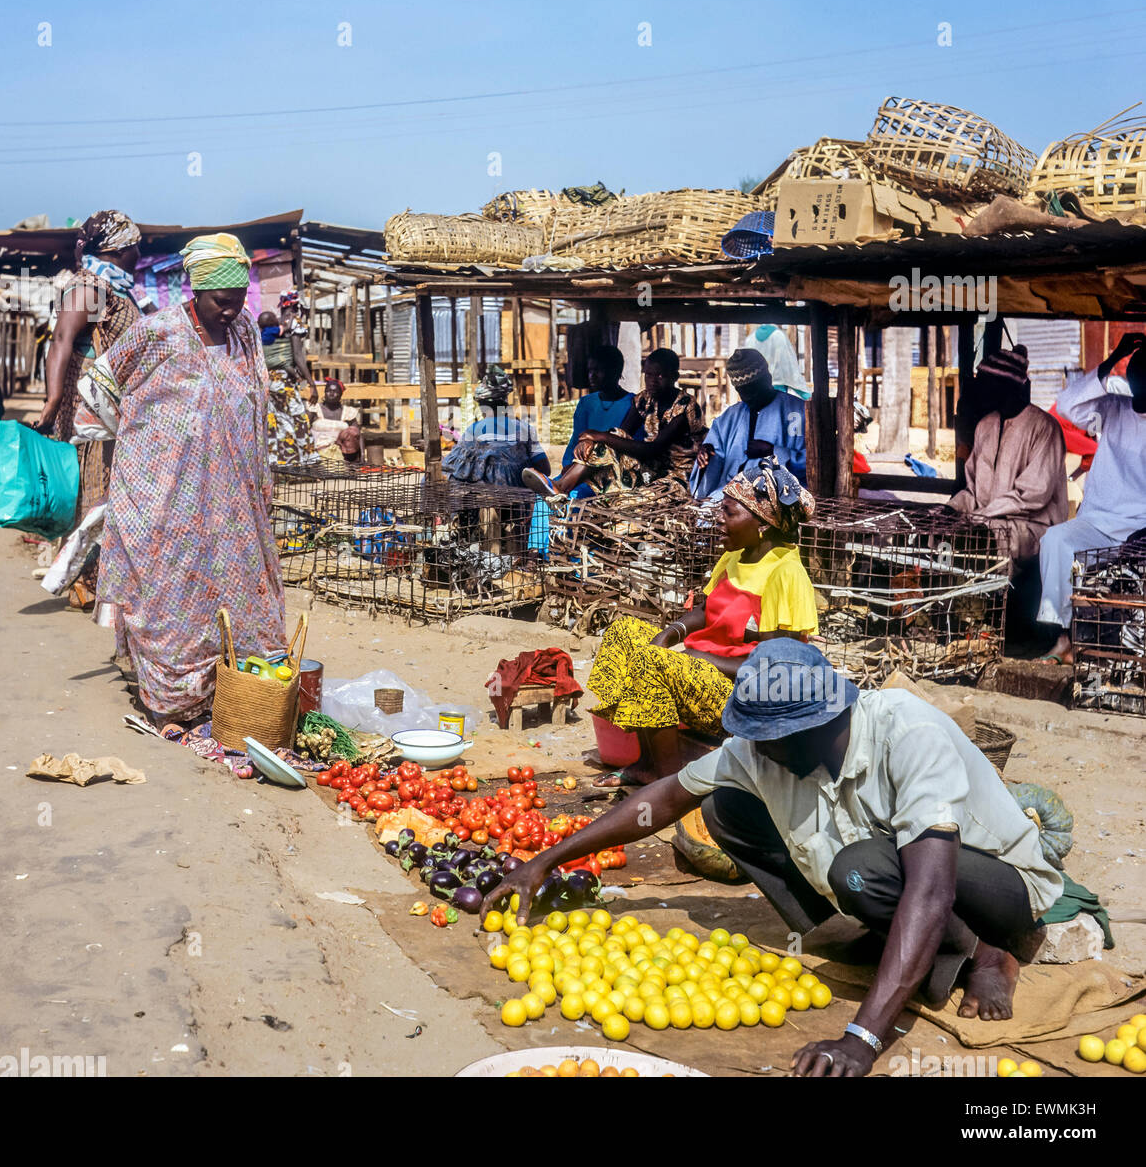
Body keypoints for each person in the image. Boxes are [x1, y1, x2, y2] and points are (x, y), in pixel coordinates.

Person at [485, 637, 1065, 1077]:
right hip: (891, 872)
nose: (754, 750)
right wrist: (547, 860)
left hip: (999, 884)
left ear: (812, 724)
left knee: (859, 869)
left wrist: (860, 1040)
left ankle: (983, 953)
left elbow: (931, 888)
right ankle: (885, 939)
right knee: (724, 810)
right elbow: (663, 800)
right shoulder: (770, 751)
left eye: (767, 740)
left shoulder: (907, 734)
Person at [95, 234, 287, 724]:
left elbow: (253, 399)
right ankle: (176, 697)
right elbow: (99, 387)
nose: (231, 310)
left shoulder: (244, 332)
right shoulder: (157, 331)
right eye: (222, 301)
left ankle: (238, 690)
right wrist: (143, 447)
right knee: (171, 591)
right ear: (195, 292)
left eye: (239, 299)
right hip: (168, 498)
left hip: (234, 501)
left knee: (239, 589)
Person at [587, 457, 817, 782]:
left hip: (741, 697)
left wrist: (697, 658)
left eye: (729, 512)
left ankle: (666, 778)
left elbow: (774, 670)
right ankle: (645, 757)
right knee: (625, 633)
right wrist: (671, 634)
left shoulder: (786, 574)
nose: (719, 519)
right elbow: (708, 610)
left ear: (763, 524)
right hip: (703, 672)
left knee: (654, 663)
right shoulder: (735, 555)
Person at [37, 210, 142, 603]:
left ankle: (89, 575)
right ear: (118, 248)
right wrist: (53, 400)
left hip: (110, 403)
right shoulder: (92, 285)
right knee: (94, 485)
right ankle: (84, 578)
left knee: (102, 485)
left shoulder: (115, 286)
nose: (138, 252)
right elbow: (62, 339)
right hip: (91, 405)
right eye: (134, 245)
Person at [1037, 332, 1146, 663]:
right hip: (1099, 522)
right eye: (1138, 378)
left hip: (1141, 528)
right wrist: (1112, 360)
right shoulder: (1114, 410)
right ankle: (1063, 639)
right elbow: (1069, 404)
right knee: (1055, 540)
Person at [523, 348, 704, 497]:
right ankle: (560, 486)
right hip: (651, 469)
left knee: (608, 444)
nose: (652, 381)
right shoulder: (644, 399)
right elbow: (621, 434)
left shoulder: (684, 405)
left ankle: (561, 486)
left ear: (674, 376)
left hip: (675, 474)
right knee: (613, 437)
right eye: (648, 375)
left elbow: (652, 449)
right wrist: (592, 440)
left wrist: (598, 435)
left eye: (660, 376)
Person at [948, 347, 1067, 561]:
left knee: (982, 540)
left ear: (1004, 387)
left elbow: (1032, 496)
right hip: (985, 520)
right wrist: (951, 509)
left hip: (1031, 526)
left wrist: (980, 518)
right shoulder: (985, 425)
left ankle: (988, 593)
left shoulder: (1044, 427)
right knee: (941, 532)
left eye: (985, 383)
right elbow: (973, 491)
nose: (979, 390)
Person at [690, 347, 806, 501]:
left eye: (754, 389)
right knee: (705, 516)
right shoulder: (728, 418)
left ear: (768, 379)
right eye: (743, 391)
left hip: (778, 495)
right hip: (729, 493)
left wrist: (773, 451)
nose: (750, 397)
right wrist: (707, 457)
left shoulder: (799, 411)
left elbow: (814, 461)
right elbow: (713, 460)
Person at [443, 365, 551, 486]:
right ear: (505, 403)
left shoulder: (473, 430)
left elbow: (455, 468)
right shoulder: (525, 429)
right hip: (520, 496)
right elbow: (545, 469)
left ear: (482, 406)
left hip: (485, 498)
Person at [257, 307, 318, 470]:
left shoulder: (260, 336)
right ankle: (302, 460)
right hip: (284, 383)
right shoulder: (289, 330)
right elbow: (298, 358)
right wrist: (312, 384)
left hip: (266, 382)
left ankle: (279, 461)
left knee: (276, 421)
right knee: (297, 417)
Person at [743, 323, 811, 400]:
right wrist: (805, 394)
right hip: (777, 390)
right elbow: (789, 367)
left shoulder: (750, 339)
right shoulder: (779, 336)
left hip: (755, 391)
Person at [310, 377, 363, 466]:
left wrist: (362, 456)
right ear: (324, 392)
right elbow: (303, 430)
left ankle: (350, 462)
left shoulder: (348, 412)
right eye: (328, 391)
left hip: (341, 450)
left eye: (335, 392)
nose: (331, 394)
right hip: (317, 449)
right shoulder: (314, 409)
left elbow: (358, 435)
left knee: (352, 431)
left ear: (341, 395)